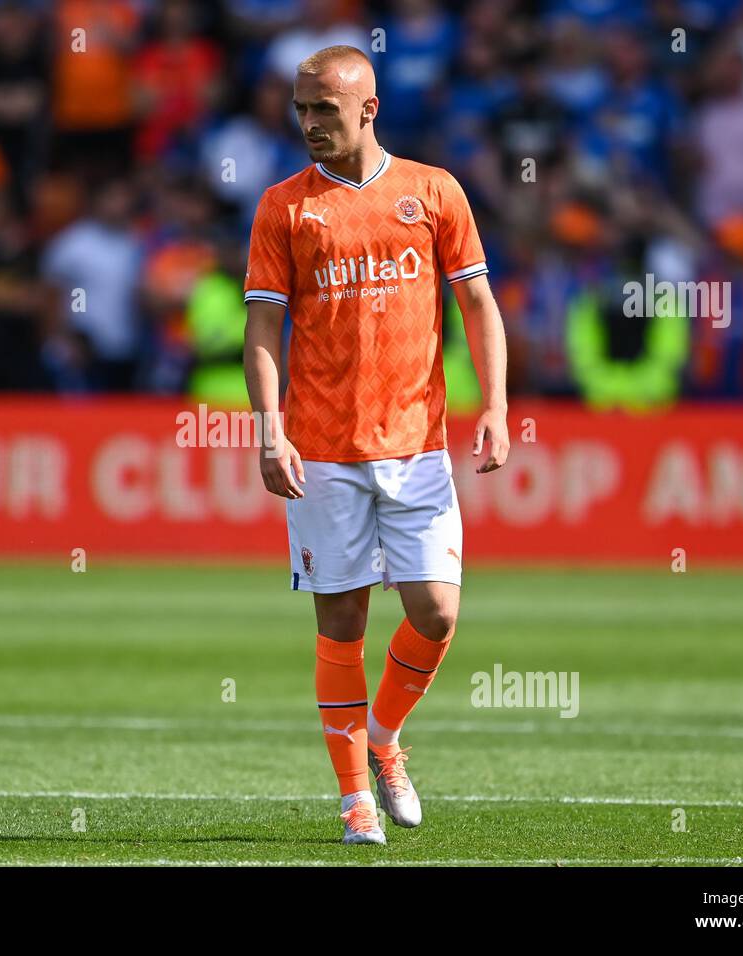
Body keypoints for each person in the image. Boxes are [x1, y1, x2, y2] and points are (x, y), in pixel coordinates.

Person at [242, 45, 510, 845]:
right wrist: (269, 430)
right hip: (322, 452)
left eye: (325, 109)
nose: (311, 124)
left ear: (369, 109)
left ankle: (386, 738)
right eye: (301, 110)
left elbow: (480, 305)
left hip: (418, 445)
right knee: (342, 626)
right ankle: (356, 797)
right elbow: (261, 328)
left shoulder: (433, 192)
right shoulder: (284, 207)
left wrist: (494, 406)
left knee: (435, 614)